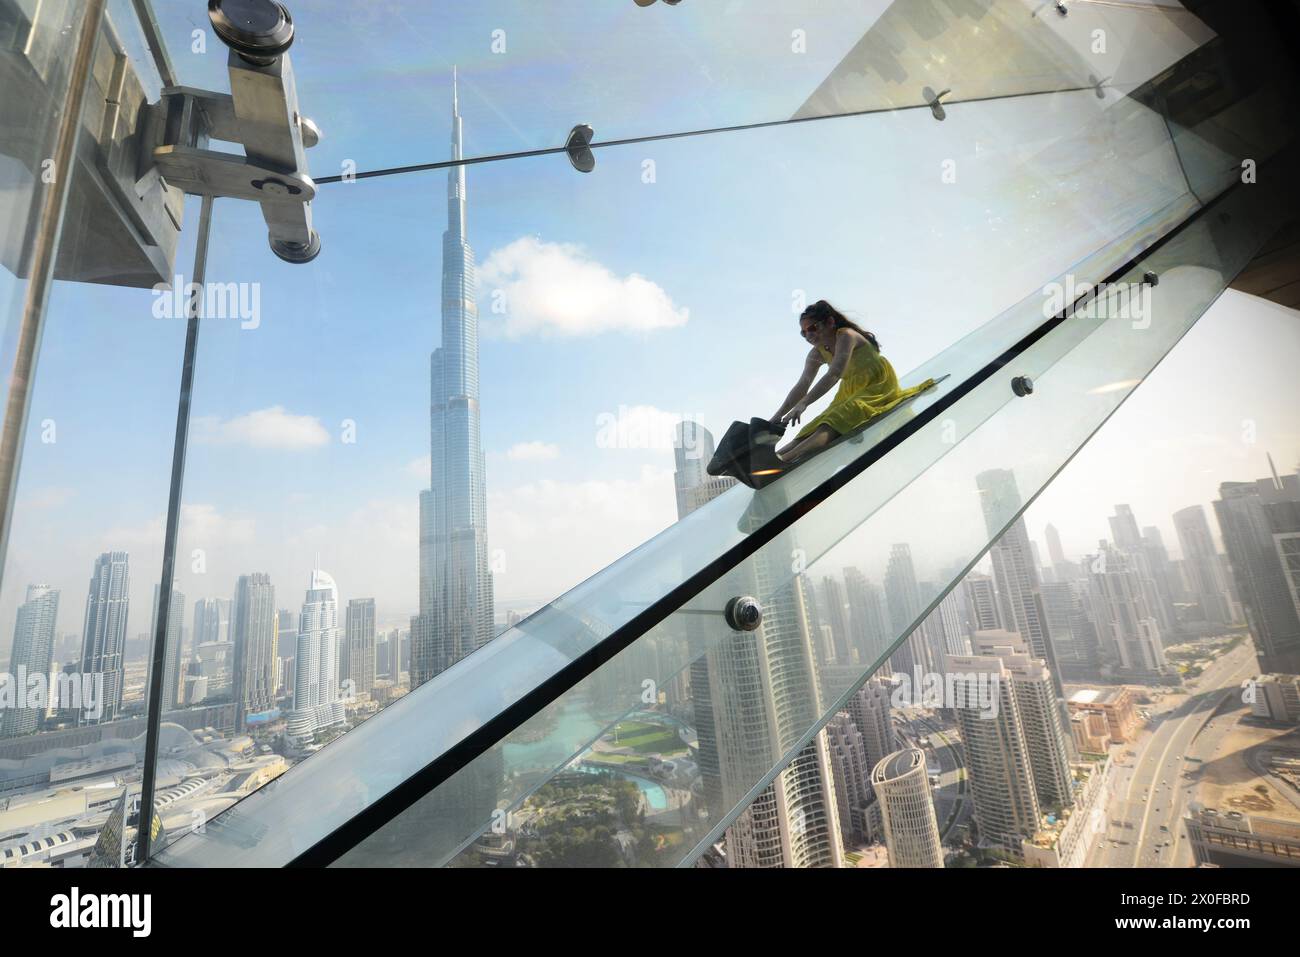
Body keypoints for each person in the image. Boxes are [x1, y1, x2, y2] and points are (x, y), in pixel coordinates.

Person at [745, 300, 938, 479]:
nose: (808, 336)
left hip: (877, 383)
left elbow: (834, 373)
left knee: (836, 418)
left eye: (812, 328)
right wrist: (776, 417)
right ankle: (769, 460)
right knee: (814, 425)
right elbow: (802, 384)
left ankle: (781, 463)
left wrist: (803, 404)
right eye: (803, 333)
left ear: (830, 322)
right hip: (850, 388)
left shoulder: (845, 335)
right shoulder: (816, 353)